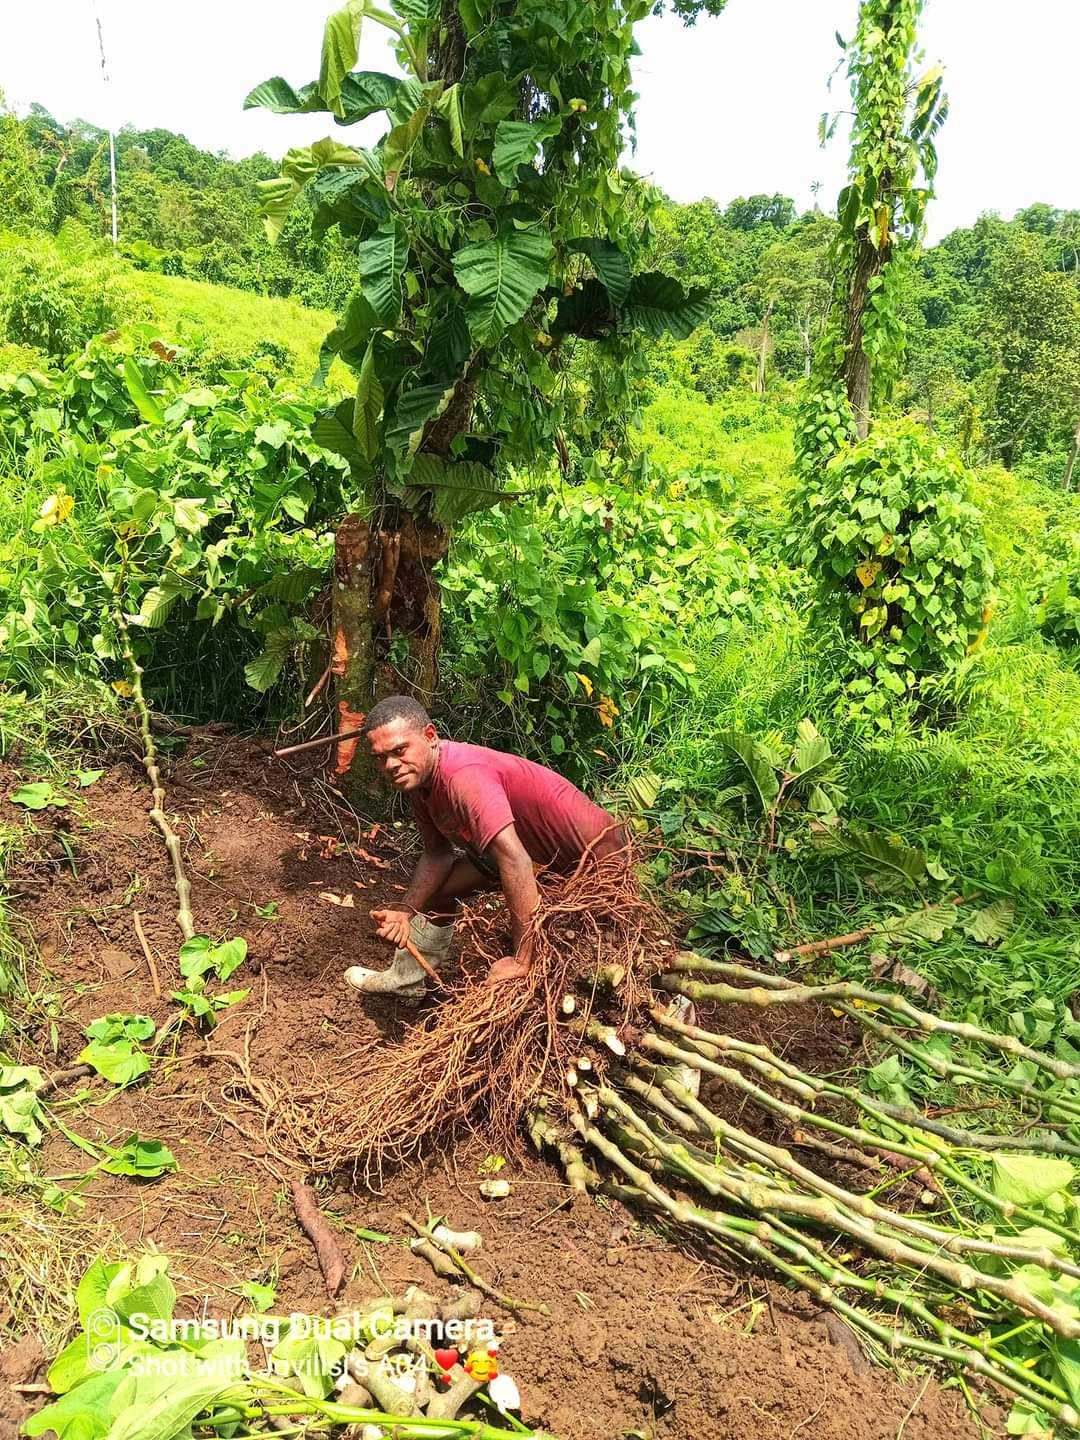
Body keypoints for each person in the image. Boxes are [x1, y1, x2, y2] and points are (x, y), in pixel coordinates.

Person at [343, 695, 624, 1000]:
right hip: (530, 856)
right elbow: (438, 855)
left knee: (585, 954)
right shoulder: (418, 779)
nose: (391, 765)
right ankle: (405, 980)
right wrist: (405, 912)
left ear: (430, 736)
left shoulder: (464, 777)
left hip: (592, 862)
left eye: (399, 750)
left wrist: (522, 959)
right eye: (380, 757)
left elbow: (514, 859)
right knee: (437, 892)